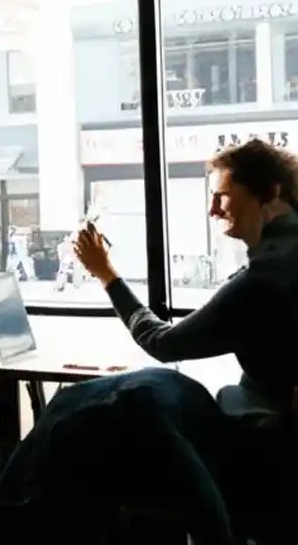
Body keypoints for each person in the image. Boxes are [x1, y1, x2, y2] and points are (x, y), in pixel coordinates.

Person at [74, 138, 298, 541]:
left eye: (222, 197)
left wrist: (106, 274)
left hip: (269, 449)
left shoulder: (264, 280)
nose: (213, 210)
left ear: (271, 192)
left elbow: (162, 342)